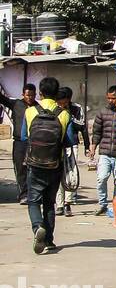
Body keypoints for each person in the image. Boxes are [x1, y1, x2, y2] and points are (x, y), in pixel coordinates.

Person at [24, 76, 73, 254]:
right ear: (57, 92)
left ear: (41, 93)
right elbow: (69, 141)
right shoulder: (64, 114)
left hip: (34, 164)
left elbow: (24, 137)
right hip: (55, 164)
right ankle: (50, 240)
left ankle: (38, 227)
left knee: (33, 200)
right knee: (50, 203)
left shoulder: (30, 112)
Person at [88, 85, 116, 215]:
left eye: (113, 98)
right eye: (108, 98)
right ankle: (102, 204)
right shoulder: (102, 112)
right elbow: (97, 131)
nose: (110, 100)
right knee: (101, 178)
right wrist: (93, 146)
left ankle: (115, 206)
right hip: (105, 153)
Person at [55, 86, 89, 217]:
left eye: (63, 102)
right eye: (59, 102)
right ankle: (59, 204)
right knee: (57, 174)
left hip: (72, 144)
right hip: (57, 145)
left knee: (70, 173)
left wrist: (87, 146)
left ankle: (67, 203)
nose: (61, 104)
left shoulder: (76, 108)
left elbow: (83, 126)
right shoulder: (54, 109)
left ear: (68, 100)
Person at [1, 82, 36, 202]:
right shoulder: (16, 104)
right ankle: (23, 194)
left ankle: (33, 193)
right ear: (23, 94)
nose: (30, 98)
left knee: (33, 169)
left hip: (34, 143)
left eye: (32, 95)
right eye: (27, 95)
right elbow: (2, 98)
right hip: (19, 143)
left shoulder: (38, 107)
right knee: (20, 168)